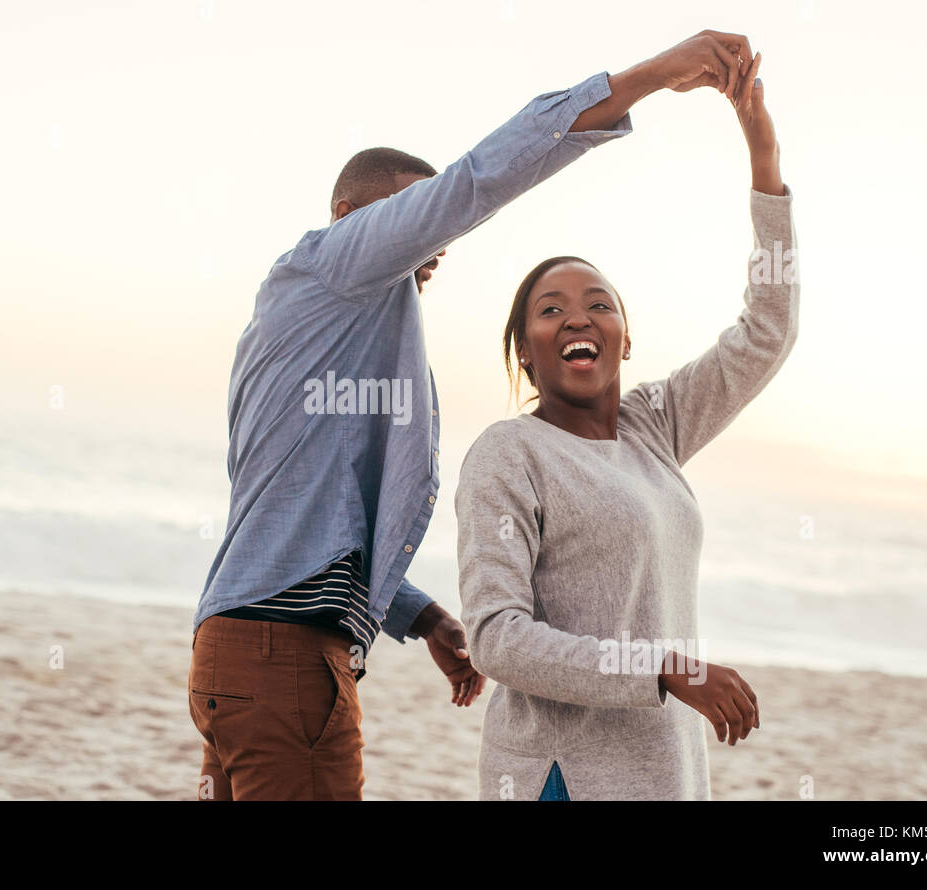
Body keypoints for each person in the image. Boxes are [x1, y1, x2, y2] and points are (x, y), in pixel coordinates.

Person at [189, 30, 759, 801]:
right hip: (278, 659)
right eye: (416, 221)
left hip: (249, 650)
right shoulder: (329, 264)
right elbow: (477, 181)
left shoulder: (313, 337)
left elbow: (308, 523)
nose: (433, 248)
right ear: (349, 213)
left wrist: (420, 615)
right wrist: (653, 76)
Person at [456, 52, 794, 801]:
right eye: (550, 309)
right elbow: (497, 638)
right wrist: (667, 670)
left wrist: (761, 153)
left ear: (626, 339)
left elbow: (767, 330)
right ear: (524, 349)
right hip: (562, 777)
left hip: (667, 771)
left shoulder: (656, 428)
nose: (578, 315)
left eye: (599, 303)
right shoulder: (509, 454)